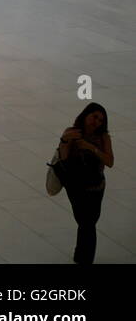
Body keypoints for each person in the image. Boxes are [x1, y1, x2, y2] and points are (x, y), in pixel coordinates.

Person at [55, 103, 113, 265]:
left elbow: (110, 161)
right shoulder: (72, 133)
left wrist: (90, 147)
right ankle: (82, 256)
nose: (97, 122)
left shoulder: (103, 137)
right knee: (84, 222)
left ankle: (83, 258)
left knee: (88, 223)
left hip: (95, 187)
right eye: (94, 117)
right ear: (85, 115)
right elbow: (63, 159)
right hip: (76, 186)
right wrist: (65, 141)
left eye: (101, 120)